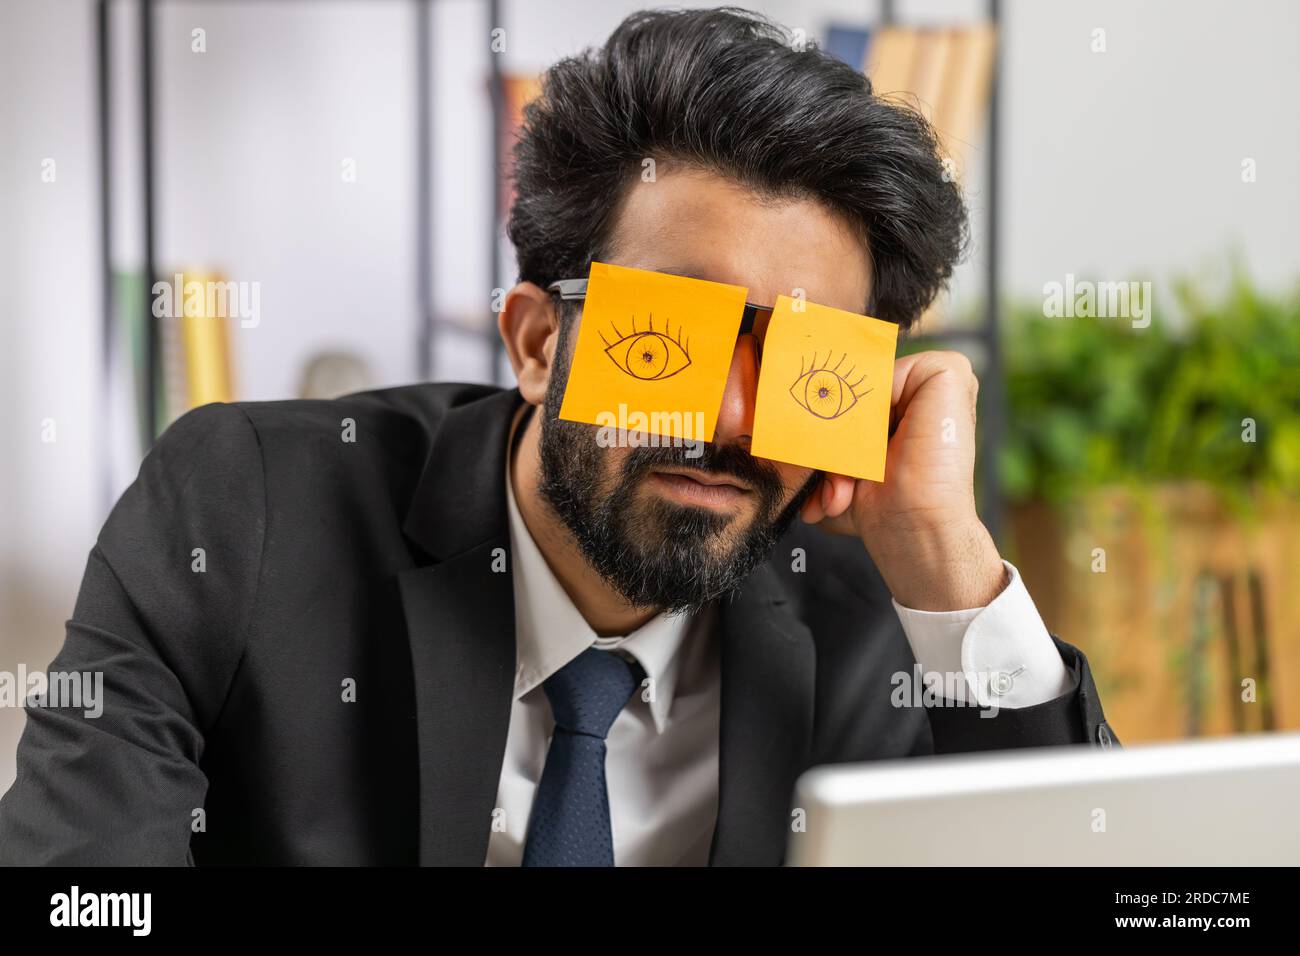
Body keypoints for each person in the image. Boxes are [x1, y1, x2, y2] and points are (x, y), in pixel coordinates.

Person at [0, 7, 1116, 867]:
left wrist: (949, 564)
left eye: (798, 365)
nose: (729, 419)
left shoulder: (880, 608)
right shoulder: (241, 507)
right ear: (537, 341)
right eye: (670, 338)